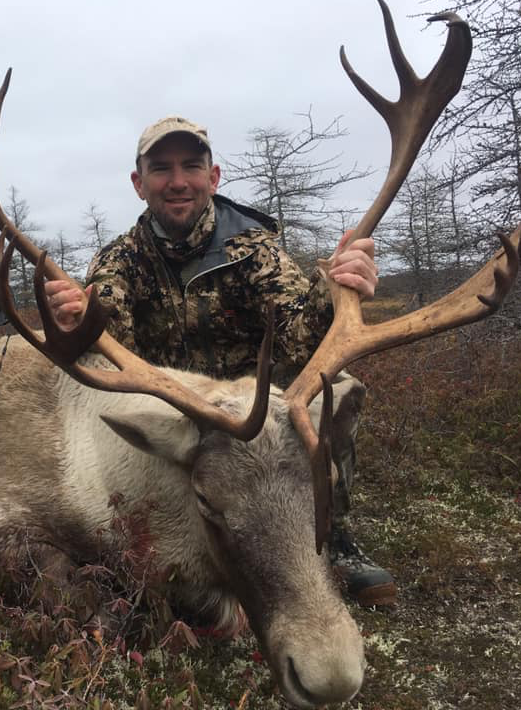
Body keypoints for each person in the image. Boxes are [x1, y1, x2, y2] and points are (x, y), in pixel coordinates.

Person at [44, 116, 395, 606]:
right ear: (139, 184)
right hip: (183, 410)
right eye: (161, 168)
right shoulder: (119, 260)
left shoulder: (255, 249)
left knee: (335, 383)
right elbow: (108, 346)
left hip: (256, 410)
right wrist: (75, 326)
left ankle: (331, 533)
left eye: (192, 166)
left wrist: (333, 292)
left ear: (213, 178)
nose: (178, 181)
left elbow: (299, 337)